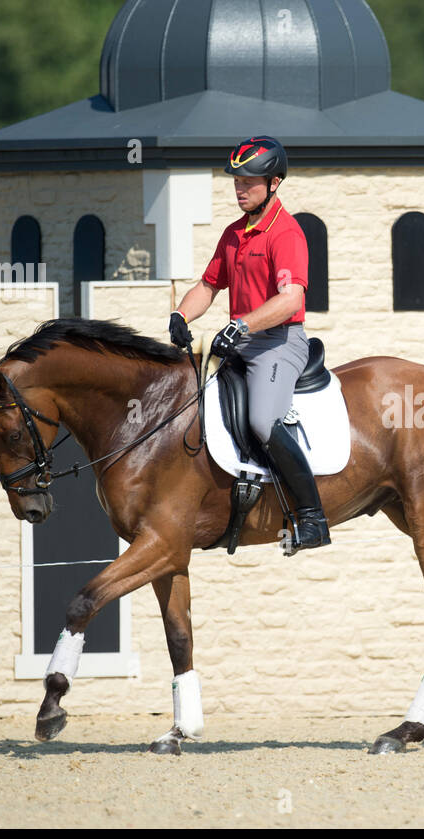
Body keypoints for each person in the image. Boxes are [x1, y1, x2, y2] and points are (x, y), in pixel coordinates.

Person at [168, 135, 330, 554]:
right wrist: (181, 315)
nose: (240, 188)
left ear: (274, 183)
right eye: (237, 180)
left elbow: (291, 298)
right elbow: (207, 286)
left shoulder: (286, 233)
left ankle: (312, 518)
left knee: (262, 421)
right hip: (240, 343)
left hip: (279, 343)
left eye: (250, 181)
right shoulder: (233, 234)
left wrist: (241, 324)